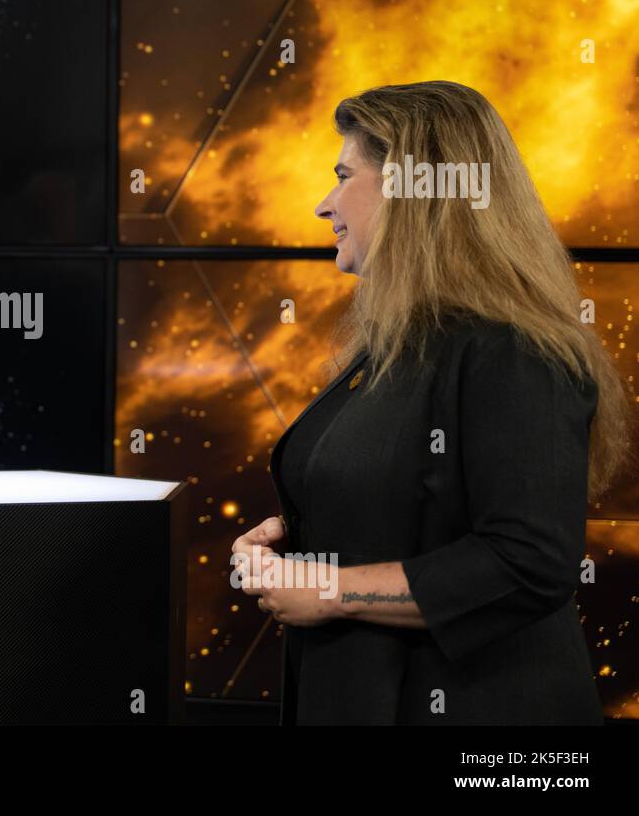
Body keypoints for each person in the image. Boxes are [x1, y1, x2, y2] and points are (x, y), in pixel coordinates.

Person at [231, 80, 633, 725]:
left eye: (343, 176)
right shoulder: (401, 346)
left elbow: (528, 563)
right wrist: (288, 558)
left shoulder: (514, 351)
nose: (324, 204)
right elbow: (392, 521)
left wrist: (331, 589)